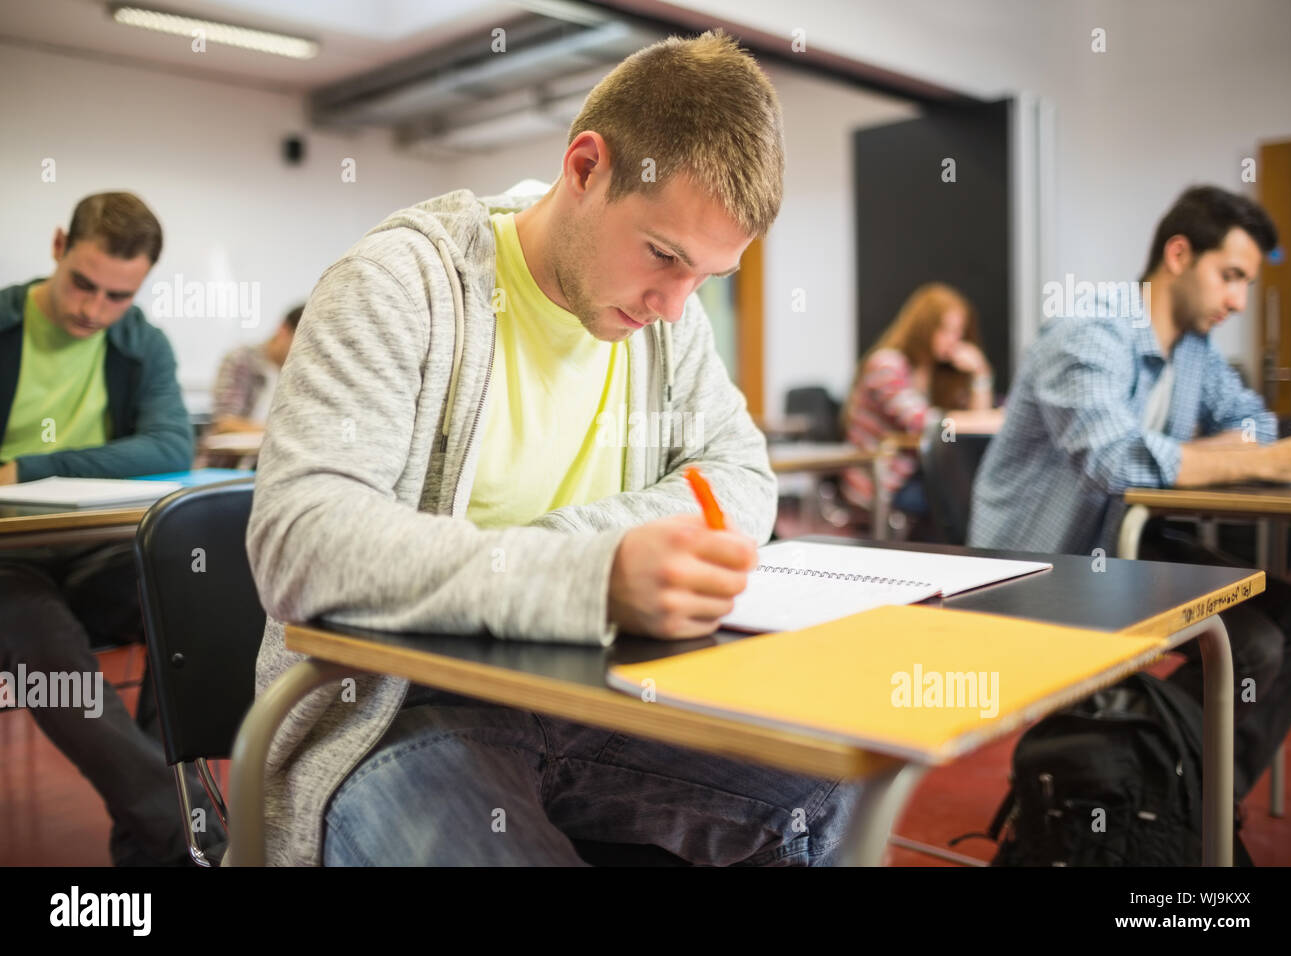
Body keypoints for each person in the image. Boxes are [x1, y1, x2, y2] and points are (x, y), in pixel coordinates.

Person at [247, 30, 863, 866]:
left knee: (836, 787)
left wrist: (596, 565)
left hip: (599, 702)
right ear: (585, 168)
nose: (676, 308)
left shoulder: (660, 324)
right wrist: (593, 576)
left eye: (705, 279)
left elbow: (742, 479)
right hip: (400, 713)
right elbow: (300, 541)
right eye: (664, 255)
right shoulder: (401, 284)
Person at [969, 185, 1291, 801]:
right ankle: (1139, 796)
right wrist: (1247, 455)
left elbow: (1252, 421)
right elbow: (1115, 462)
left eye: (1247, 284)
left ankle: (1180, 809)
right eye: (1230, 276)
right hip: (1043, 567)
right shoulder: (1089, 330)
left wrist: (1224, 451)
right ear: (1178, 254)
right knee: (1251, 643)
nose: (1238, 300)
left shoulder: (1196, 350)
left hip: (1124, 545)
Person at [0, 191, 209, 864]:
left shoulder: (142, 341)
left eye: (118, 295)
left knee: (183, 590)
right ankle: (174, 826)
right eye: (83, 285)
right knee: (34, 624)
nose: (94, 310)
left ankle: (157, 834)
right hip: (7, 559)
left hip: (97, 549)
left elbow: (168, 449)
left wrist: (23, 467)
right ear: (58, 246)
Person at [841, 282, 1002, 518]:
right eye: (945, 330)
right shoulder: (887, 364)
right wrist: (983, 421)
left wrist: (981, 373)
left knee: (977, 494)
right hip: (886, 480)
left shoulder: (939, 373)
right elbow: (924, 422)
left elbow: (976, 419)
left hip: (922, 473)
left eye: (959, 332)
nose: (954, 340)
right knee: (969, 502)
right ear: (924, 328)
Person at [207, 304, 302, 436]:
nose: (303, 351)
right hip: (238, 455)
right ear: (283, 330)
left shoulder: (299, 371)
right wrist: (283, 434)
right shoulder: (242, 360)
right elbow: (225, 423)